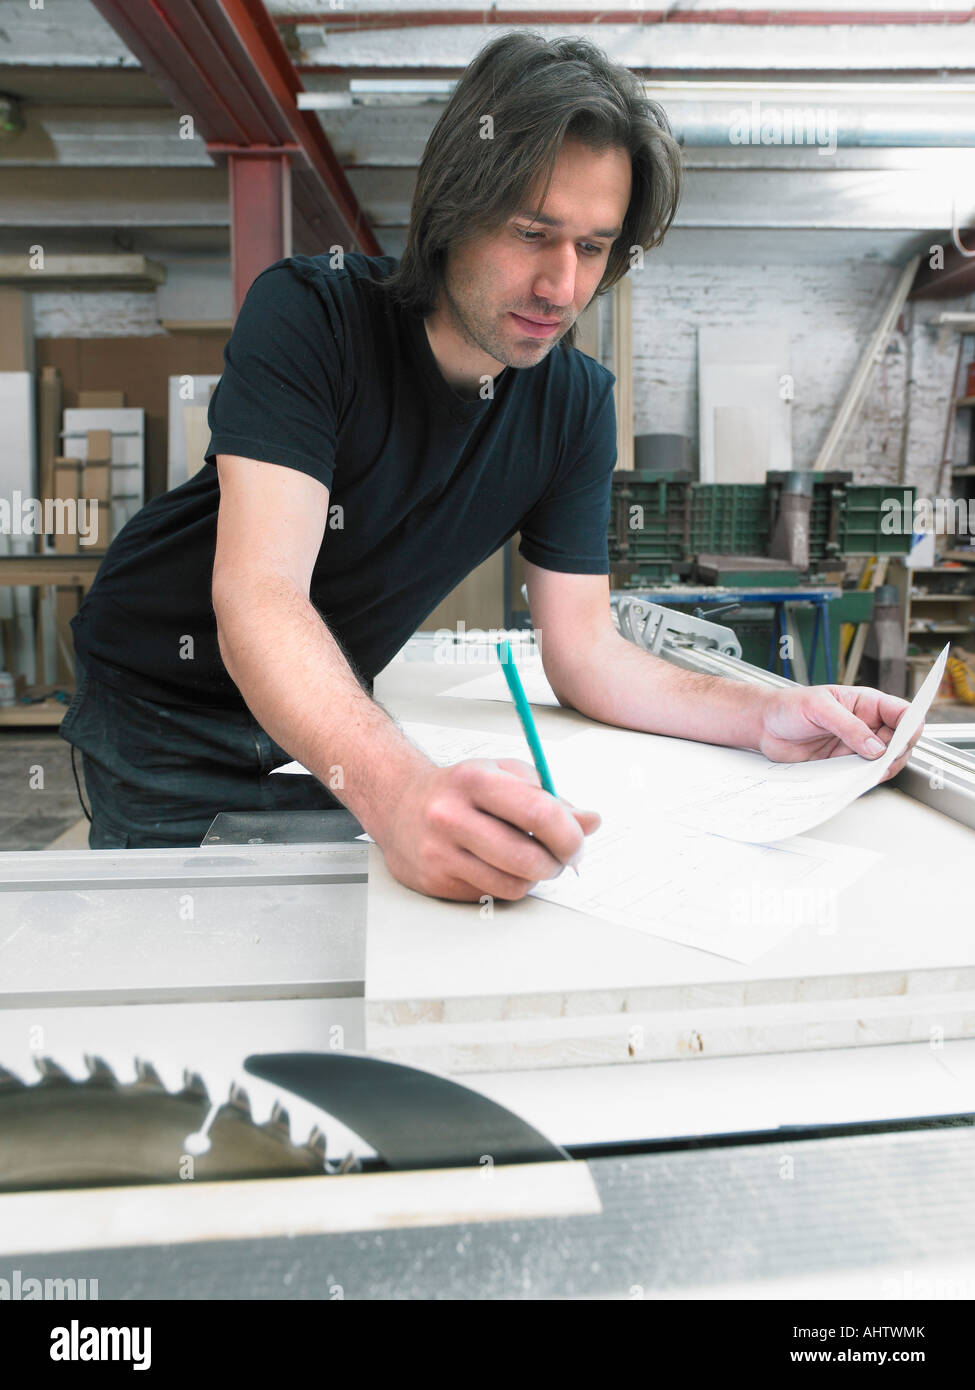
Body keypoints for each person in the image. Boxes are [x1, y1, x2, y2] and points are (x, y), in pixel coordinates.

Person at [60, 31, 921, 899]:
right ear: (452, 210)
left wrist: (765, 711)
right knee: (183, 952)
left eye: (592, 247)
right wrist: (398, 796)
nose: (561, 284)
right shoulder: (312, 318)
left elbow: (583, 650)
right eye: (531, 233)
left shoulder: (574, 405)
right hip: (162, 706)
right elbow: (259, 595)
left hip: (323, 714)